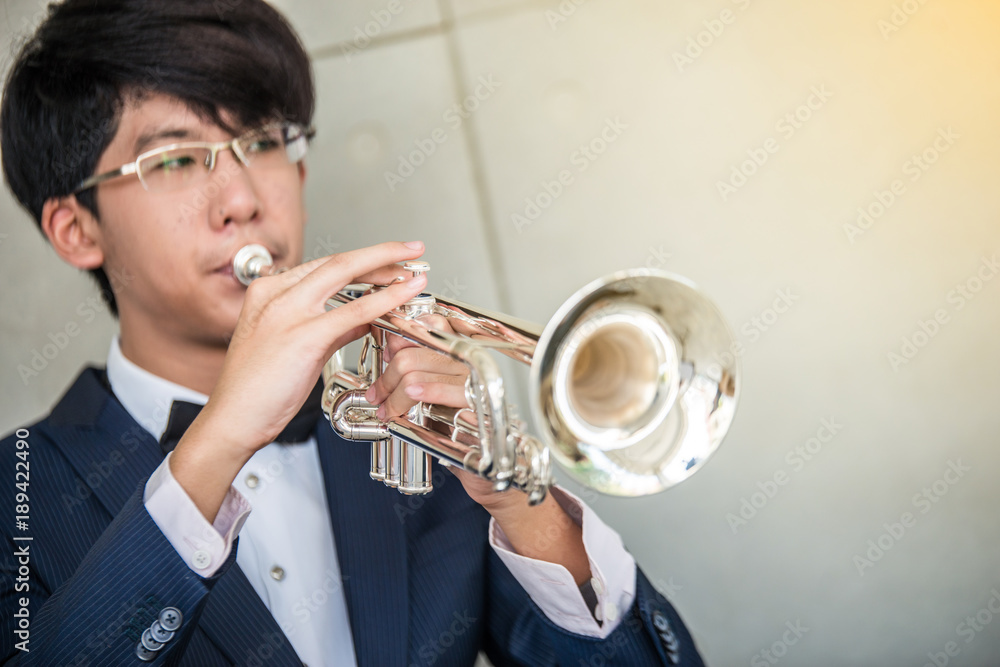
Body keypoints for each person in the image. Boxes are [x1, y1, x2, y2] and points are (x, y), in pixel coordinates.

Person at [0, 1, 704, 665]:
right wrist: (217, 442)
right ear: (76, 228)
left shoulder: (418, 435)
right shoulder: (16, 494)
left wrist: (518, 497)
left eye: (265, 142)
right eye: (177, 159)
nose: (244, 199)